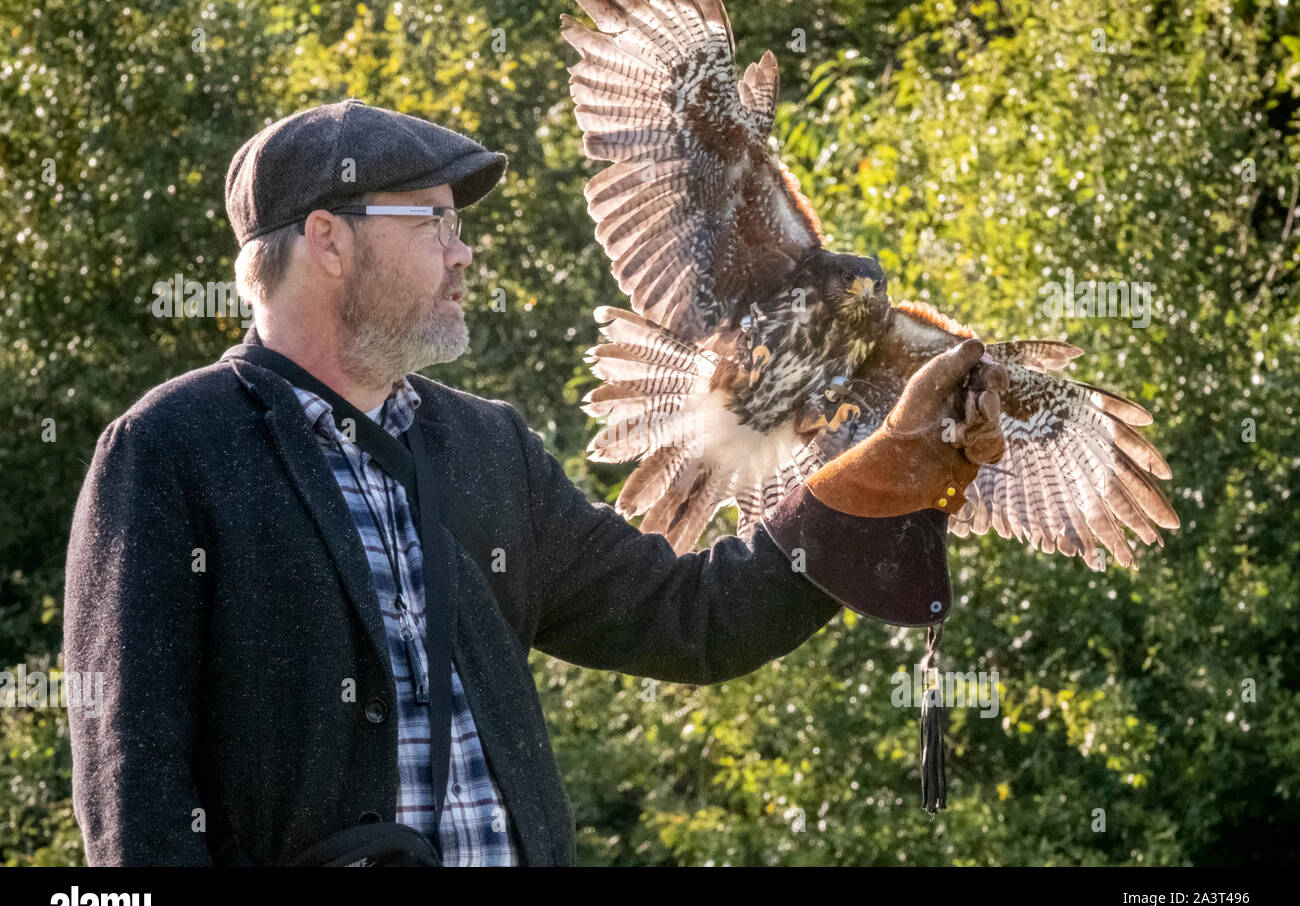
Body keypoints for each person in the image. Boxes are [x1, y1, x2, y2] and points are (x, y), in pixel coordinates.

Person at [62, 99, 1007, 866]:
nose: (463, 250)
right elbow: (133, 799)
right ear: (328, 238)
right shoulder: (174, 451)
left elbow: (695, 619)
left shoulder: (485, 448)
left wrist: (888, 474)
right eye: (435, 222)